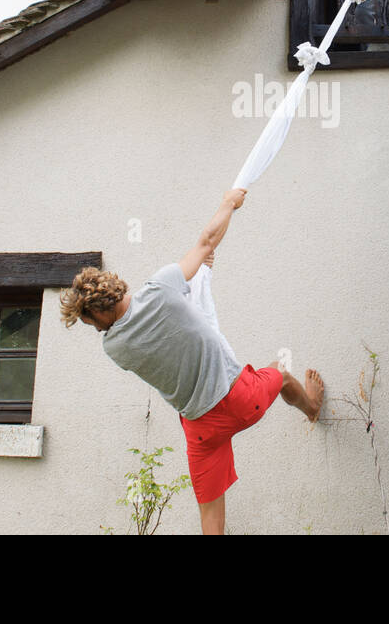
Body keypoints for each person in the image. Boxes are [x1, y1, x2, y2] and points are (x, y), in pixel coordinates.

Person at [60, 188, 325, 535]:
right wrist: (229, 203)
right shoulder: (161, 287)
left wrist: (196, 272)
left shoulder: (114, 348)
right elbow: (205, 242)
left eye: (90, 322)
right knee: (281, 373)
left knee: (211, 520)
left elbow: (159, 326)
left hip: (202, 430)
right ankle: (312, 408)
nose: (94, 329)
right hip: (243, 400)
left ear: (96, 311)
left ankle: (309, 408)